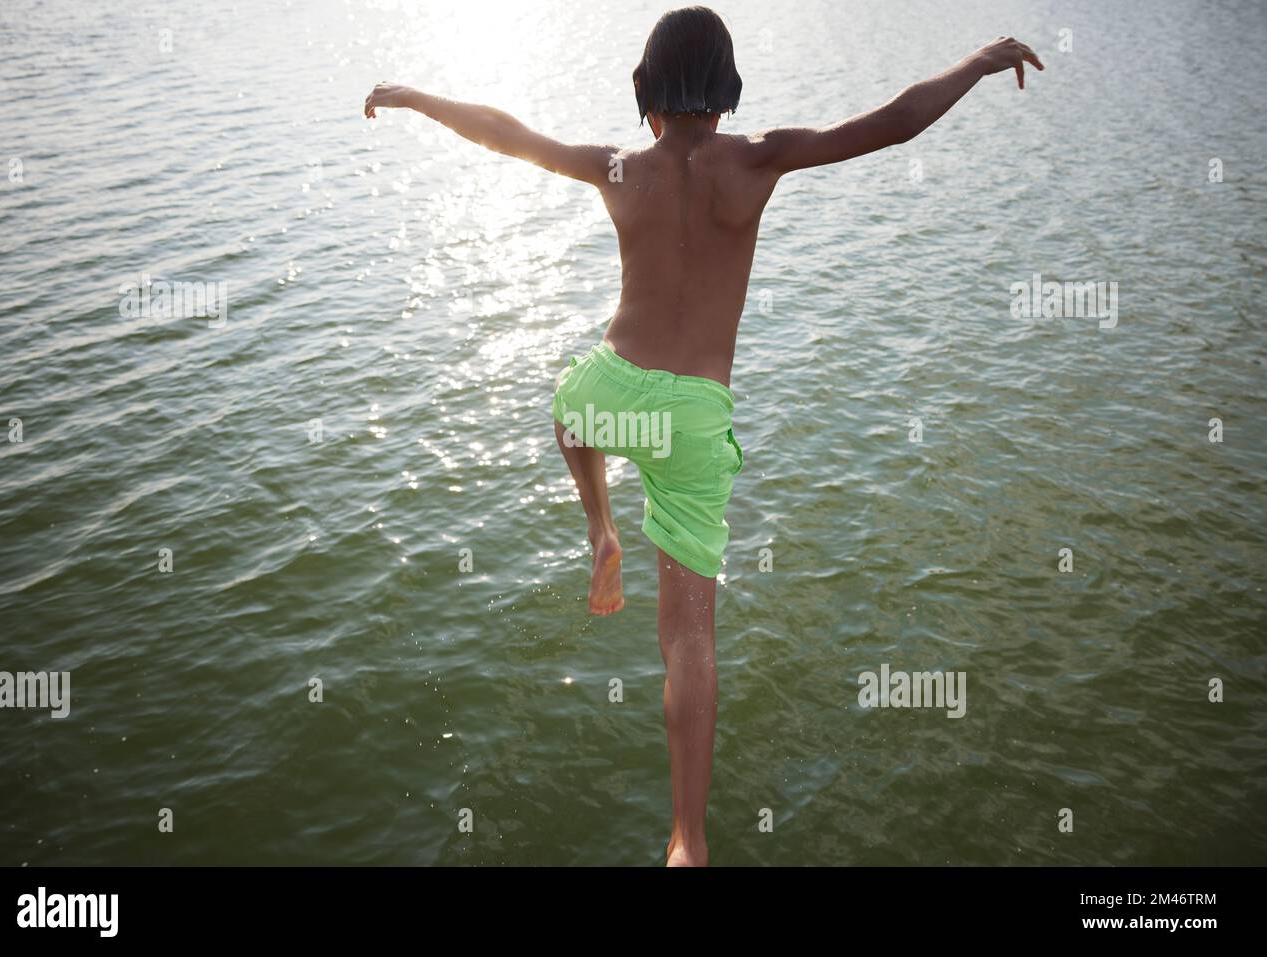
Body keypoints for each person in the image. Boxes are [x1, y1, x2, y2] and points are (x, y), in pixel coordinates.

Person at [364, 5, 1043, 866]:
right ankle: (689, 839)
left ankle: (600, 529)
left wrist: (420, 97)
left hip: (615, 389)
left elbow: (509, 135)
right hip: (693, 415)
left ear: (646, 93)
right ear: (725, 94)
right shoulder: (757, 159)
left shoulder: (617, 166)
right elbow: (896, 121)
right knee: (689, 636)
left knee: (571, 410)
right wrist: (980, 60)